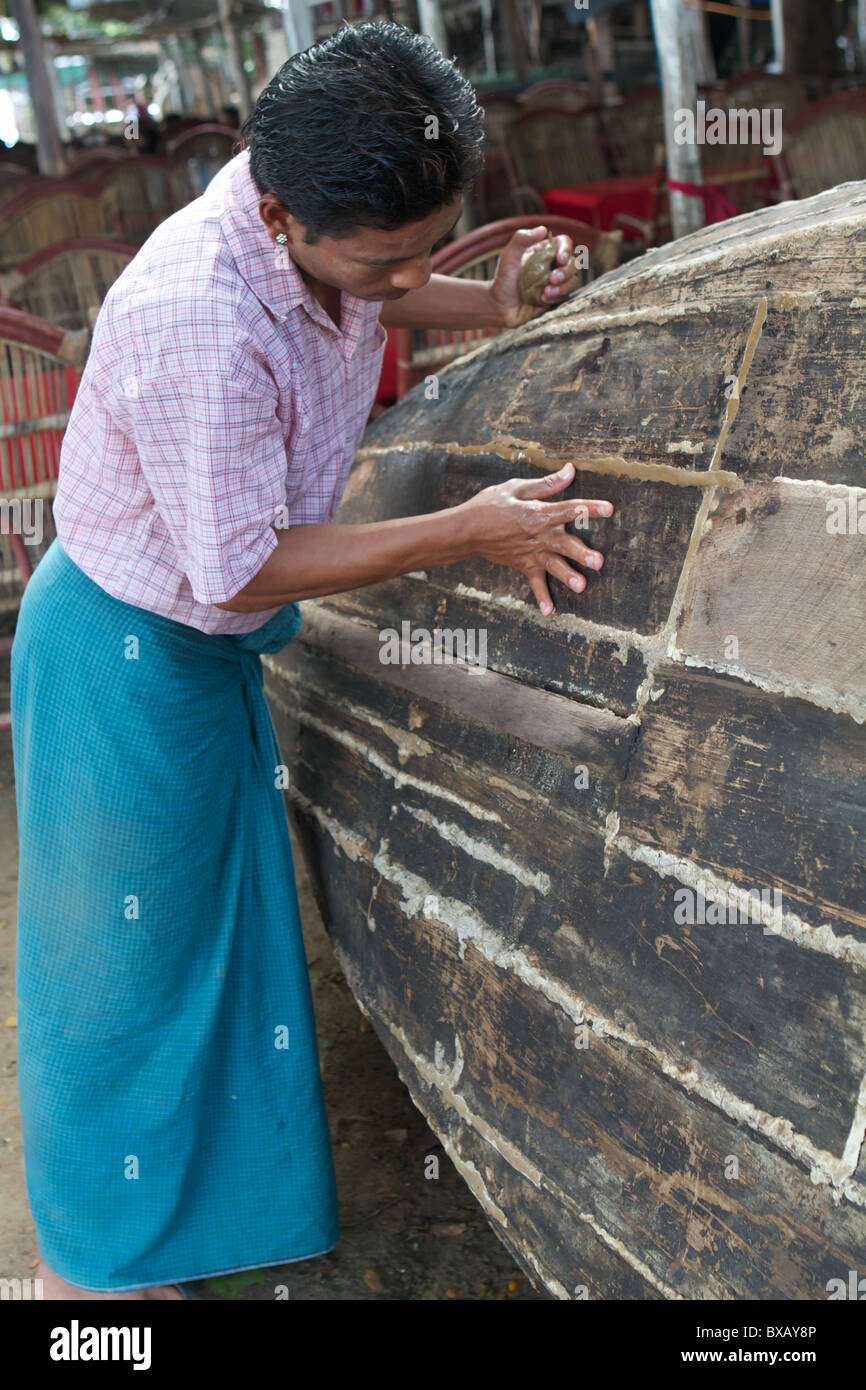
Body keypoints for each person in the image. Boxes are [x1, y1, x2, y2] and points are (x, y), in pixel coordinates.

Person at [11, 21, 613, 1301]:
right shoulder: (199, 317)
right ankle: (91, 1281)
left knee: (212, 934)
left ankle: (204, 1218)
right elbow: (235, 566)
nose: (404, 277)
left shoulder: (307, 238)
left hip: (194, 642)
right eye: (386, 259)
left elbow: (377, 289)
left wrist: (491, 300)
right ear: (281, 213)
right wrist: (464, 530)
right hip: (125, 650)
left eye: (426, 245)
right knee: (115, 966)